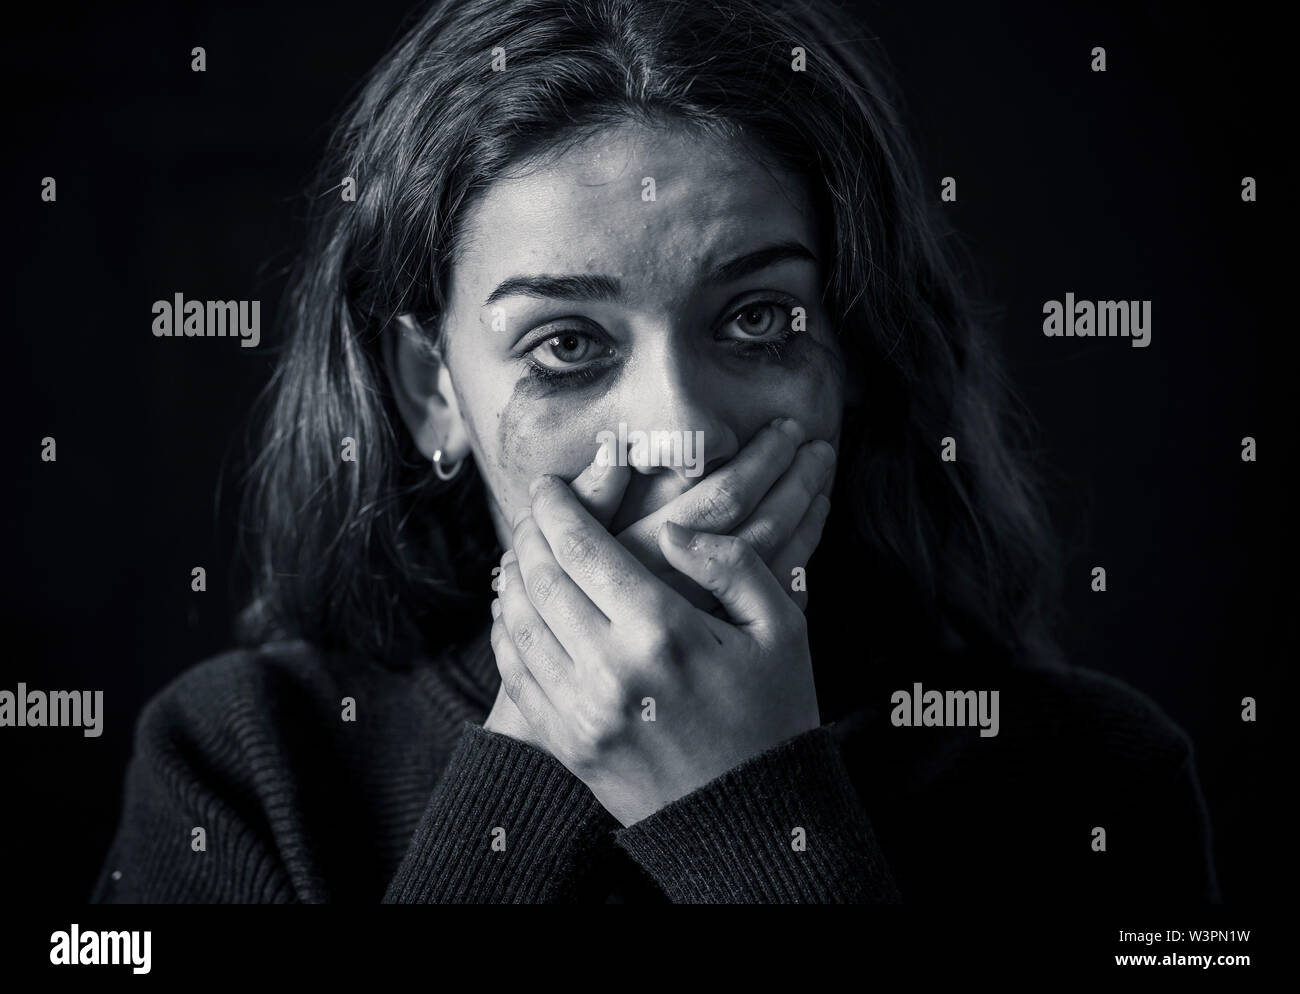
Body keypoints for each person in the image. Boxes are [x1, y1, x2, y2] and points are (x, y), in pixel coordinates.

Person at [91, 0, 1219, 903]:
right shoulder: (243, 760)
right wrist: (525, 775)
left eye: (757, 319)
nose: (677, 427)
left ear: (853, 357)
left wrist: (751, 811)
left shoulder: (1087, 775)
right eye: (567, 343)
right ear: (435, 392)